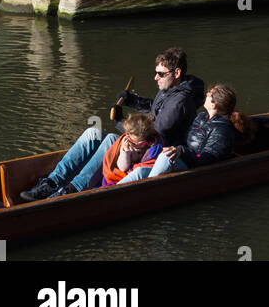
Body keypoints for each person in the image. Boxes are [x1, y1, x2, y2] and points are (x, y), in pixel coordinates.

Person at [19, 45, 204, 201]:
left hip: (153, 150)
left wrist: (120, 122)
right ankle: (52, 183)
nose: (155, 78)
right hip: (144, 142)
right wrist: (132, 100)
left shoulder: (181, 101)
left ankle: (73, 190)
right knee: (92, 133)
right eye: (156, 73)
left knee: (109, 142)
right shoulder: (170, 87)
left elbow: (152, 132)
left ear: (177, 73)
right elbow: (154, 109)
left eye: (160, 74)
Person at [119, 83, 249, 181]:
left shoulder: (222, 129)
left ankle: (143, 191)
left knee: (166, 157)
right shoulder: (202, 117)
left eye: (209, 94)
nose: (206, 95)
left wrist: (181, 151)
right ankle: (113, 192)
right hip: (187, 158)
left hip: (196, 168)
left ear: (214, 104)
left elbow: (207, 159)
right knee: (140, 171)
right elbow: (185, 139)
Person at [101, 113, 161, 186]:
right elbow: (122, 168)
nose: (135, 145)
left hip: (139, 172)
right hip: (123, 173)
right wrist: (125, 152)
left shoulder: (154, 145)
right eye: (131, 141)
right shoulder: (127, 145)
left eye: (140, 143)